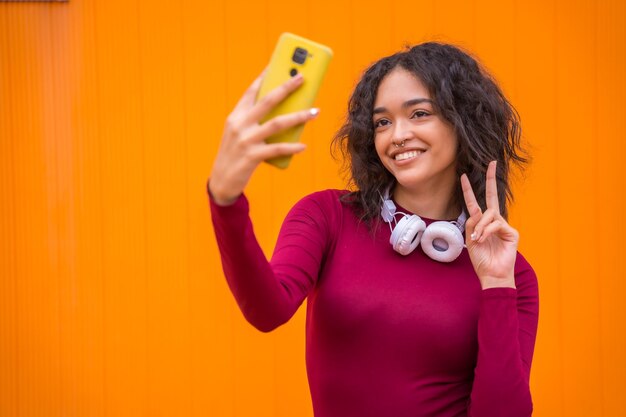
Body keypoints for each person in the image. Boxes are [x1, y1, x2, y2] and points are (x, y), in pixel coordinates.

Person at [208, 42, 539, 417]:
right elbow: (267, 311)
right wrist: (225, 199)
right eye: (382, 121)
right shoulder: (327, 216)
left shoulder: (515, 276)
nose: (397, 135)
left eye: (419, 113)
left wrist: (496, 283)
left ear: (463, 122)